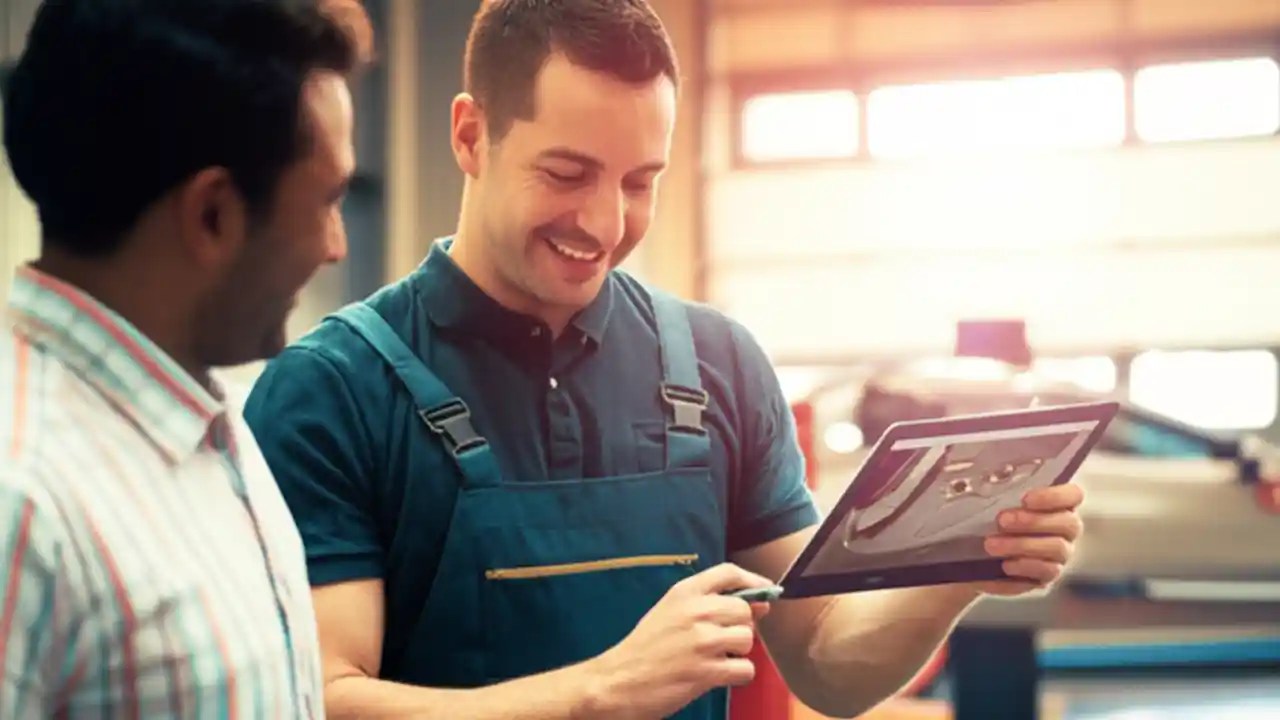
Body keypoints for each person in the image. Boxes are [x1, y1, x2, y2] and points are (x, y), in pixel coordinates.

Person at [243, 1, 1087, 718]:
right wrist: (600, 691)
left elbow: (826, 665)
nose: (605, 225)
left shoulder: (718, 362)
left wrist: (962, 567)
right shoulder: (330, 391)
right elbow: (322, 697)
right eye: (567, 173)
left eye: (639, 181)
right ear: (471, 135)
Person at [0, 0, 371, 716]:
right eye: (327, 202)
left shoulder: (213, 420)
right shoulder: (23, 499)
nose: (336, 247)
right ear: (213, 215)